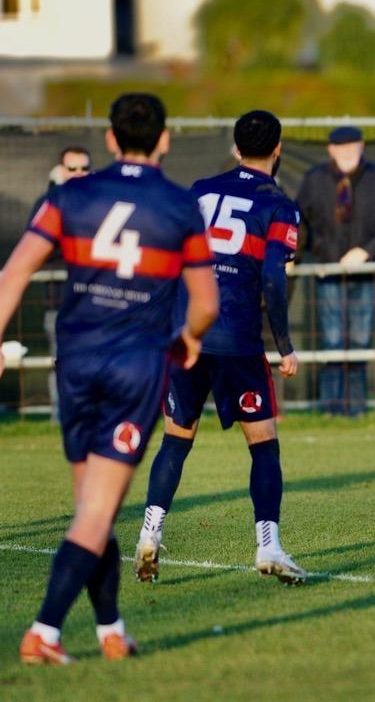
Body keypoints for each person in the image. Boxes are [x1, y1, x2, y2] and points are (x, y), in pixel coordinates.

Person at [0, 93, 218, 665]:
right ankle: (45, 632)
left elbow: (16, 269)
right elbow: (205, 302)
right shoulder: (179, 208)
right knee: (98, 509)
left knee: (91, 505)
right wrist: (186, 337)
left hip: (76, 360)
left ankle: (110, 628)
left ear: (109, 138)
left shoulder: (70, 193)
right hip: (135, 366)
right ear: (165, 139)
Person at [134, 110, 306, 586]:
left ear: (235, 148)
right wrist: (284, 344)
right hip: (236, 336)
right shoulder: (278, 204)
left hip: (187, 332)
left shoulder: (200, 190)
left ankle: (149, 533)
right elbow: (273, 276)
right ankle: (268, 545)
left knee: (176, 438)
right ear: (278, 148)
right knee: (263, 445)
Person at [296, 125, 375, 415]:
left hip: (366, 274)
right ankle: (331, 408)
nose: (348, 153)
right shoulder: (314, 179)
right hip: (328, 272)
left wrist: (366, 252)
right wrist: (327, 256)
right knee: (332, 341)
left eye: (353, 146)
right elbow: (300, 223)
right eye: (342, 148)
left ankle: (356, 408)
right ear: (331, 149)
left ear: (362, 146)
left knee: (359, 341)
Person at [28, 145, 93, 421]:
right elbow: (39, 246)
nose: (78, 174)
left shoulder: (101, 201)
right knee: (61, 362)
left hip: (98, 300)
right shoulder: (49, 202)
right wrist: (56, 193)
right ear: (59, 171)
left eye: (83, 168)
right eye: (71, 168)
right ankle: (61, 419)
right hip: (60, 300)